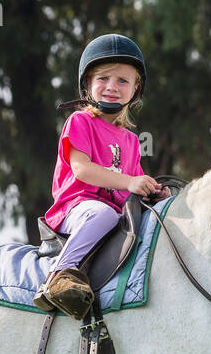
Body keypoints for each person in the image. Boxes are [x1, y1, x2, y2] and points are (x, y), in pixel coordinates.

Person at [33, 34, 164, 319]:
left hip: (114, 214)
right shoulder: (79, 122)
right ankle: (60, 276)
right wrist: (130, 181)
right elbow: (82, 169)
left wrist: (153, 191)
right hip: (77, 207)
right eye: (103, 78)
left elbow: (134, 185)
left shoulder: (131, 140)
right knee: (102, 214)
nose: (112, 87)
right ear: (87, 84)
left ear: (136, 90)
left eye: (122, 81)